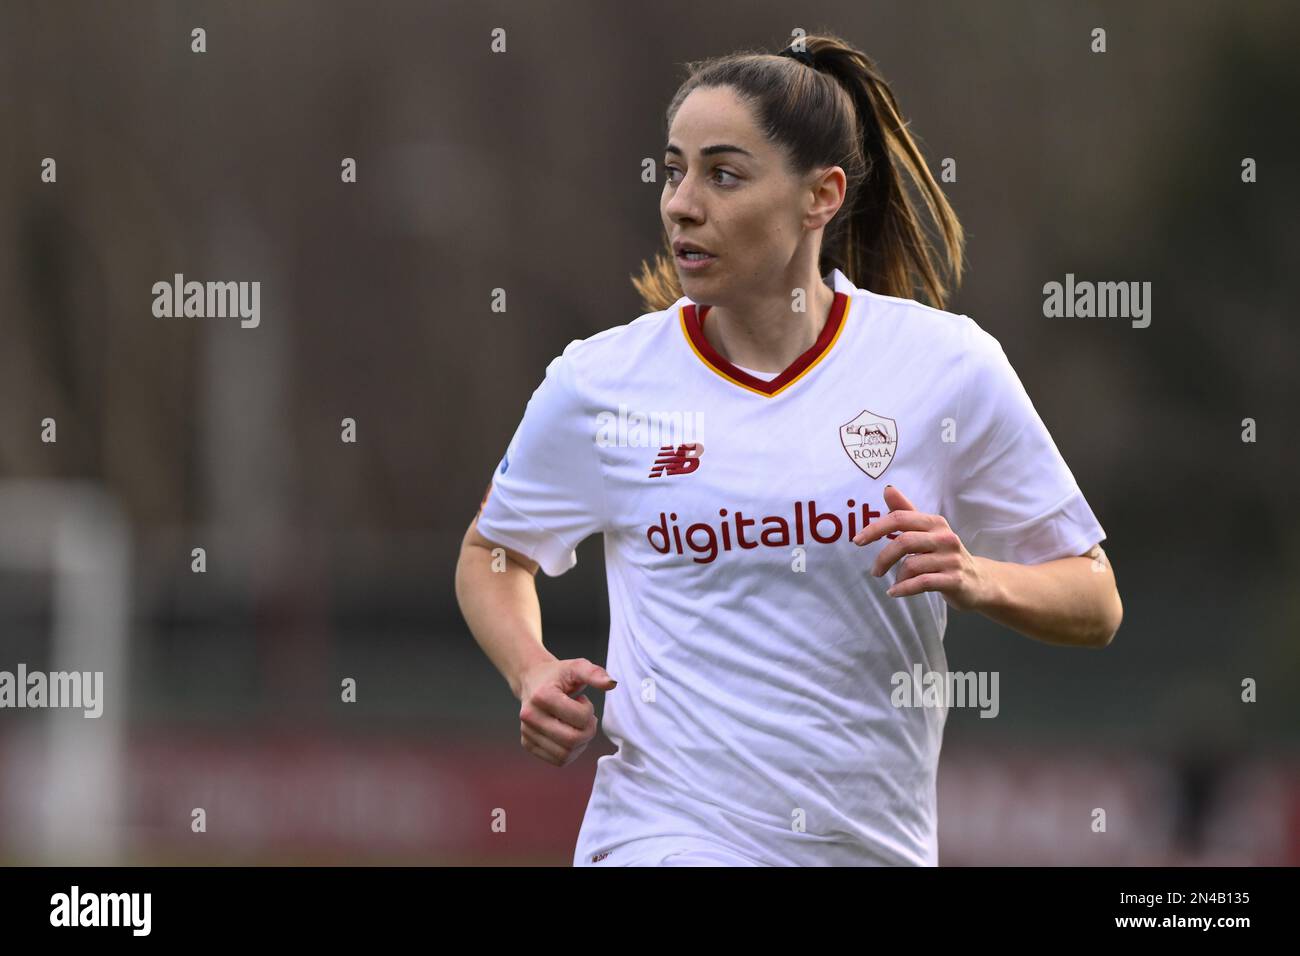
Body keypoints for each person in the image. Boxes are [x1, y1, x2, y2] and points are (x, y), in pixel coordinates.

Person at [454, 33, 1122, 867]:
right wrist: (532, 668)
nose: (680, 204)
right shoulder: (602, 384)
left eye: (722, 174)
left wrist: (978, 577)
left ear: (821, 197)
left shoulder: (947, 368)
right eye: (673, 170)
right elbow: (494, 550)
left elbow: (1095, 600)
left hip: (872, 848)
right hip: (662, 835)